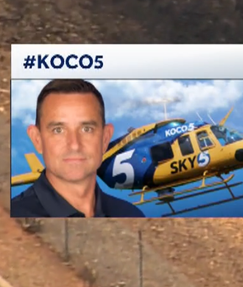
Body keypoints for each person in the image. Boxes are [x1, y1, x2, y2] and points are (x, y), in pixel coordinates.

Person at [9, 79, 145, 218]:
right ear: (37, 139)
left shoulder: (131, 214)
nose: (74, 144)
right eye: (58, 130)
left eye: (86, 129)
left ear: (105, 139)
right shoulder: (12, 218)